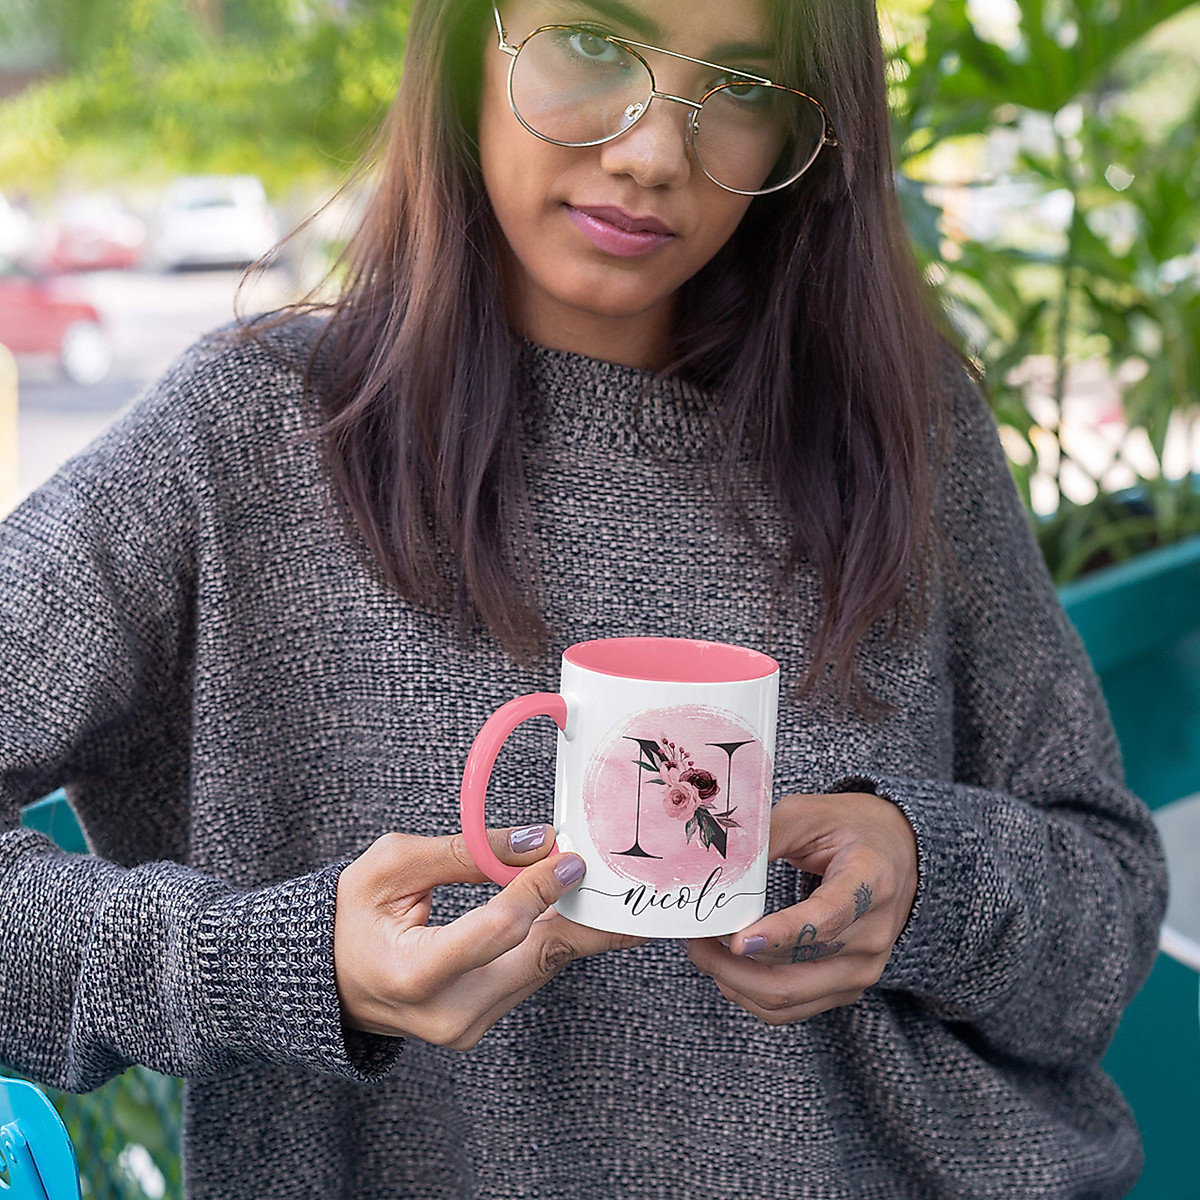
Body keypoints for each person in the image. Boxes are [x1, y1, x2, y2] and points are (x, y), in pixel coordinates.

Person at [0, 0, 1168, 1196]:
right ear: (464, 43)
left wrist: (929, 880)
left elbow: (1111, 906)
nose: (655, 152)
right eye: (596, 47)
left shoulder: (901, 427)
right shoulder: (246, 444)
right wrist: (278, 964)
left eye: (744, 91)